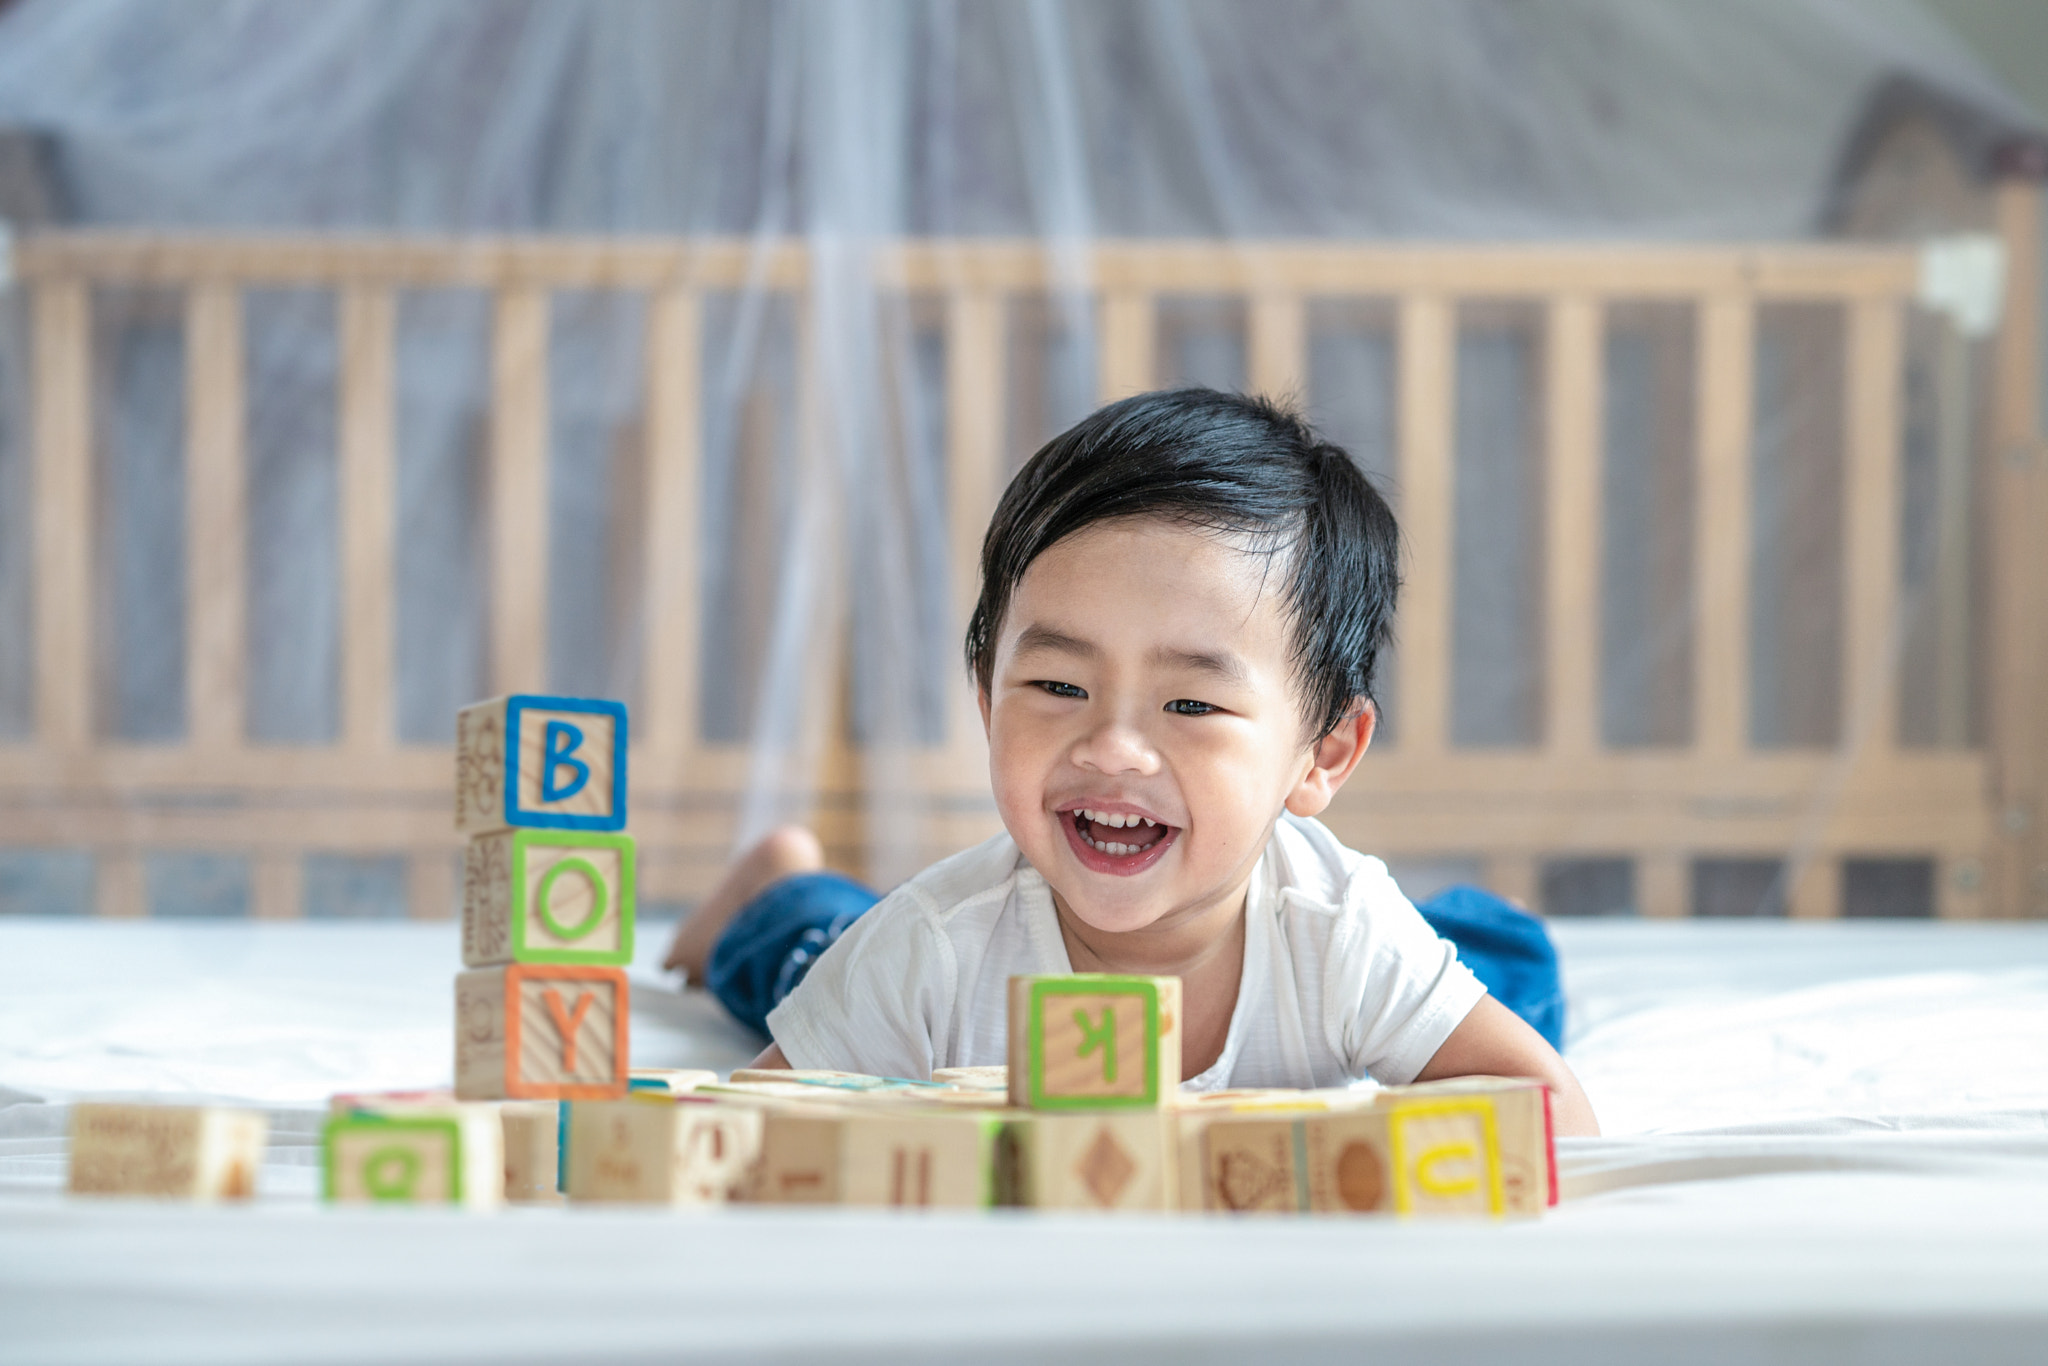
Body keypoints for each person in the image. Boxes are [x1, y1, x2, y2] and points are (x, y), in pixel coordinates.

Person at [665, 388, 1598, 1135]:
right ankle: (775, 885)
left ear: (1322, 756)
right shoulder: (931, 948)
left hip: (1337, 922)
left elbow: (1559, 1117)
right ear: (989, 701)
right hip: (864, 947)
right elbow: (734, 1140)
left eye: (1190, 704)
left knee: (1511, 971)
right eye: (1058, 688)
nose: (1111, 747)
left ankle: (1481, 930)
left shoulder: (1338, 928)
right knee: (803, 956)